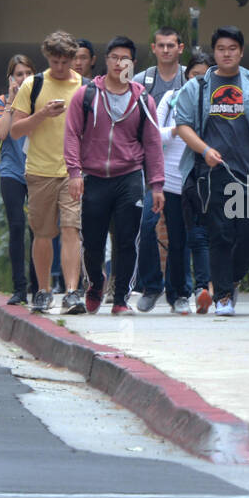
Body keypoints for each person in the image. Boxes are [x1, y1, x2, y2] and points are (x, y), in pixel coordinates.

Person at [174, 26, 249, 316]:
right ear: (214, 53)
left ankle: (230, 280)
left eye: (232, 48)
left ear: (241, 52)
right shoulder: (196, 88)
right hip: (214, 172)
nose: (227, 53)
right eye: (221, 48)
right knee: (219, 233)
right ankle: (222, 297)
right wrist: (204, 150)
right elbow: (182, 124)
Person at [65, 37, 165, 314]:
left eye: (125, 59)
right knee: (93, 242)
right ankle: (96, 283)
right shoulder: (86, 95)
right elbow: (72, 134)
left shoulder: (143, 99)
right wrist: (74, 172)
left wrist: (156, 184)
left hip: (129, 176)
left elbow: (153, 143)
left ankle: (121, 298)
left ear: (132, 64)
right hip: (94, 177)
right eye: (114, 57)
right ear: (106, 60)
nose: (119, 63)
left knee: (127, 239)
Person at [10, 31, 85, 314]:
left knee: (71, 228)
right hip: (39, 170)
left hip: (72, 171)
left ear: (73, 59)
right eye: (54, 62)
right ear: (48, 58)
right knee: (42, 232)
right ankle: (42, 290)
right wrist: (42, 114)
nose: (60, 68)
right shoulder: (34, 84)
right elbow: (16, 132)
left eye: (65, 62)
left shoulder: (84, 87)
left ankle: (71, 291)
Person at [135, 27, 188, 311]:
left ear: (180, 47)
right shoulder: (141, 81)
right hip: (149, 170)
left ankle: (178, 293)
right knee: (144, 227)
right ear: (153, 48)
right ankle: (151, 285)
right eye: (161, 46)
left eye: (171, 45)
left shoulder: (191, 79)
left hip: (184, 171)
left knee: (181, 235)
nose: (166, 50)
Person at [157, 51, 213, 314]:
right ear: (185, 75)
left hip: (203, 180)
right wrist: (175, 131)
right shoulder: (171, 99)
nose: (199, 81)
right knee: (177, 240)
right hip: (173, 180)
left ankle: (204, 289)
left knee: (200, 237)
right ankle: (177, 294)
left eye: (204, 76)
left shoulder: (218, 101)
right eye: (194, 75)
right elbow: (154, 134)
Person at [0, 54, 35, 305]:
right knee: (17, 226)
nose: (24, 78)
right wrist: (11, 101)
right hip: (11, 171)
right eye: (19, 74)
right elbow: (2, 133)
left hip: (37, 169)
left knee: (38, 228)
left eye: (28, 73)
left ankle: (39, 286)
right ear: (11, 78)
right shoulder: (1, 101)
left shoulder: (39, 100)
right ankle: (20, 288)